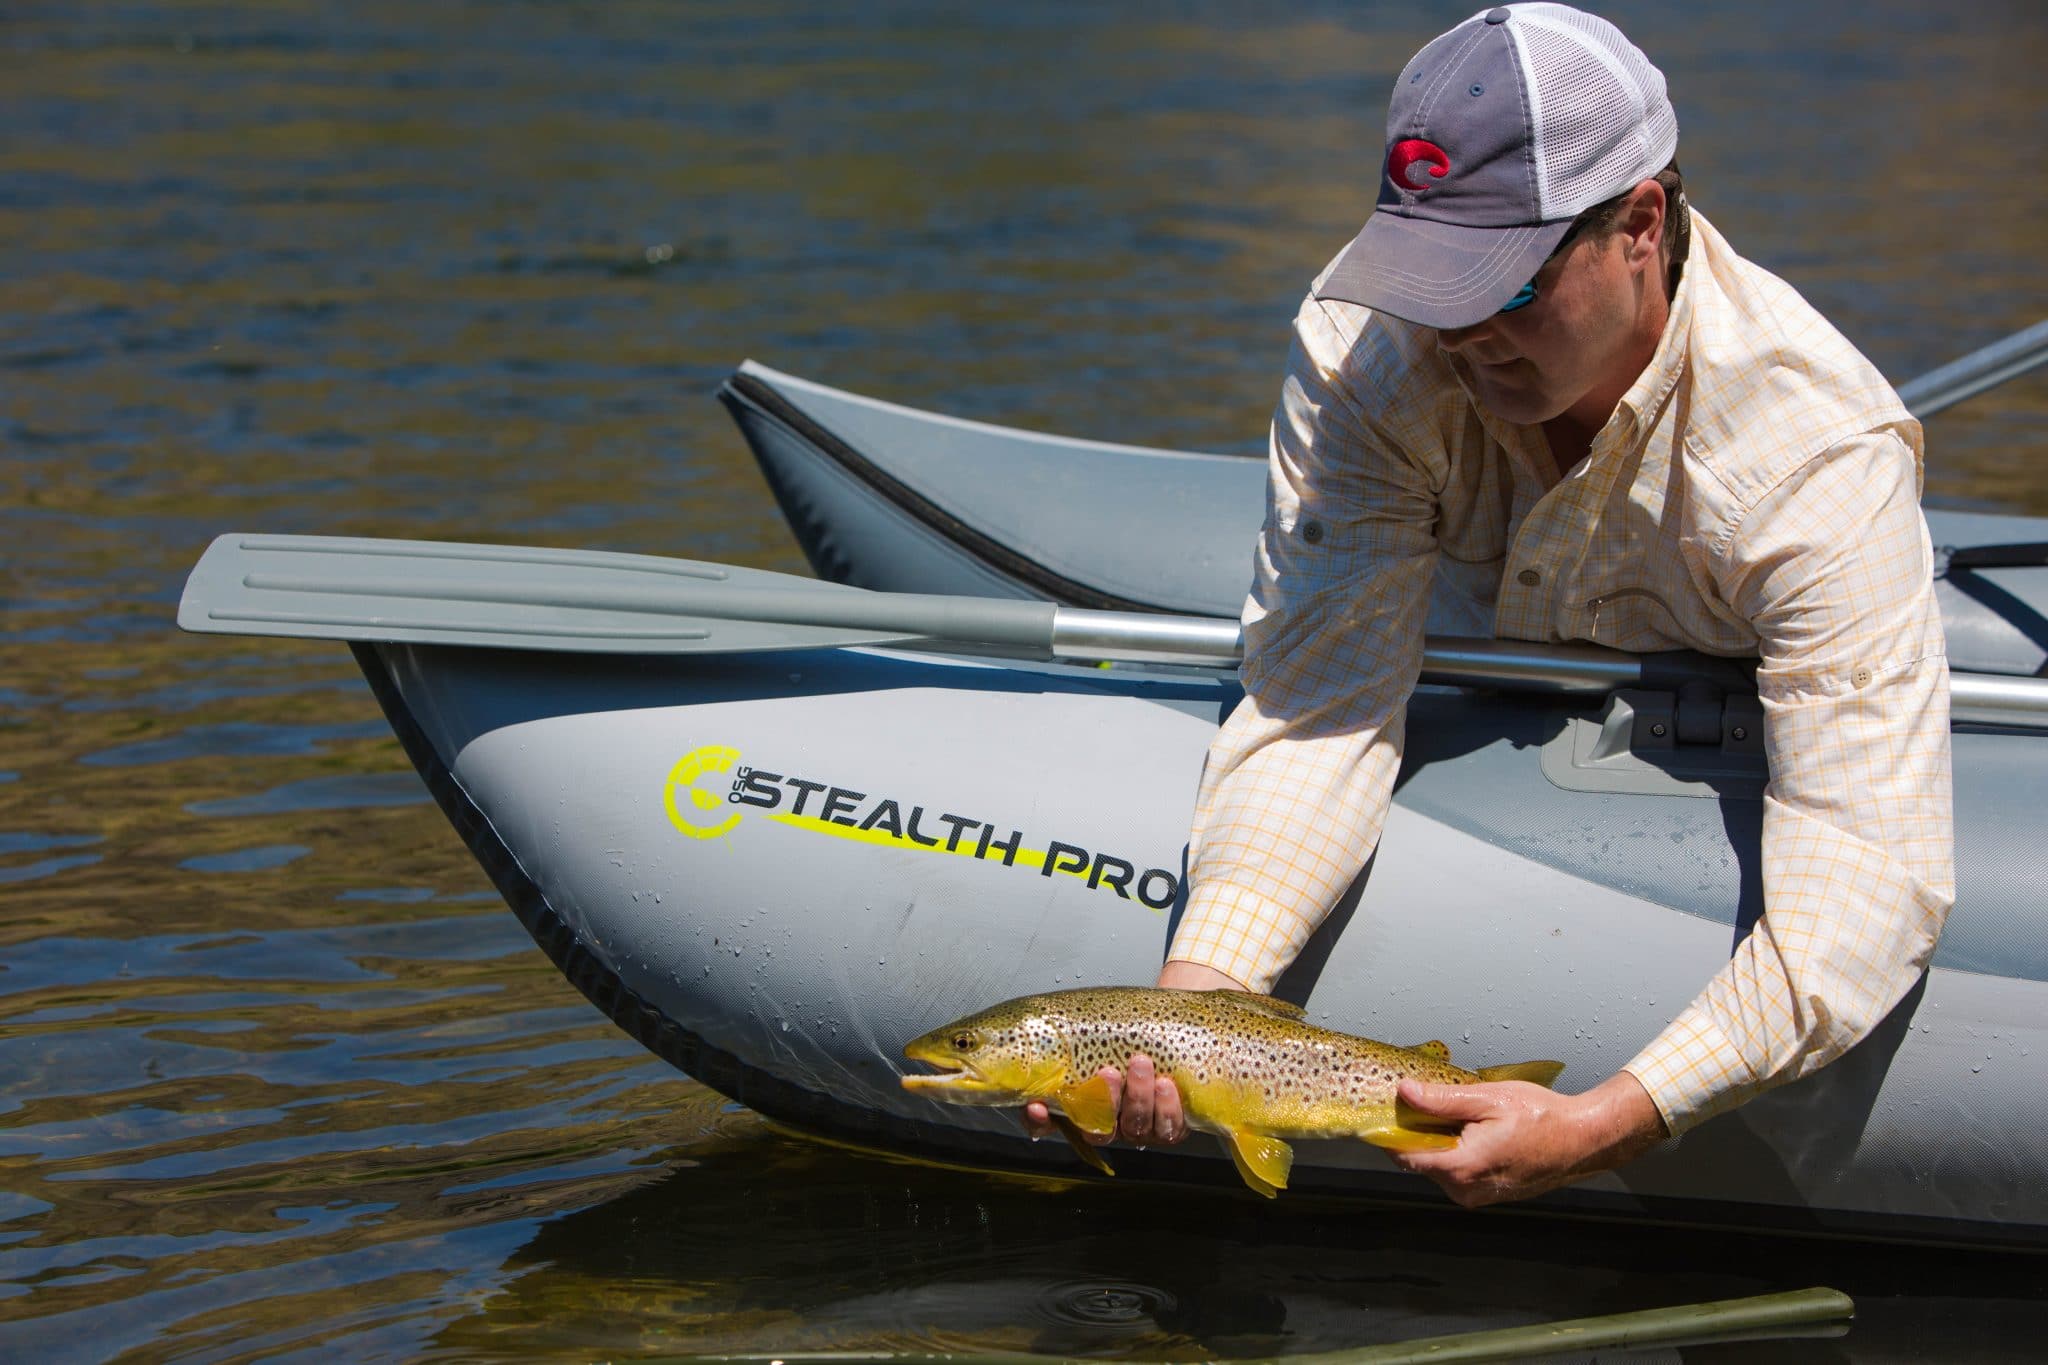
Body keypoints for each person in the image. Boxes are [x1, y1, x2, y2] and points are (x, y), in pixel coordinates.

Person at [1025, 1, 1954, 1208]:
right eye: (1430, 281)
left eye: (1503, 287)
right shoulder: (1369, 345)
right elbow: (1320, 702)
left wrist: (1606, 1122)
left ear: (1639, 223)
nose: (1458, 333)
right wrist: (1198, 1007)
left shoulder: (1814, 457)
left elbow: (1860, 887)